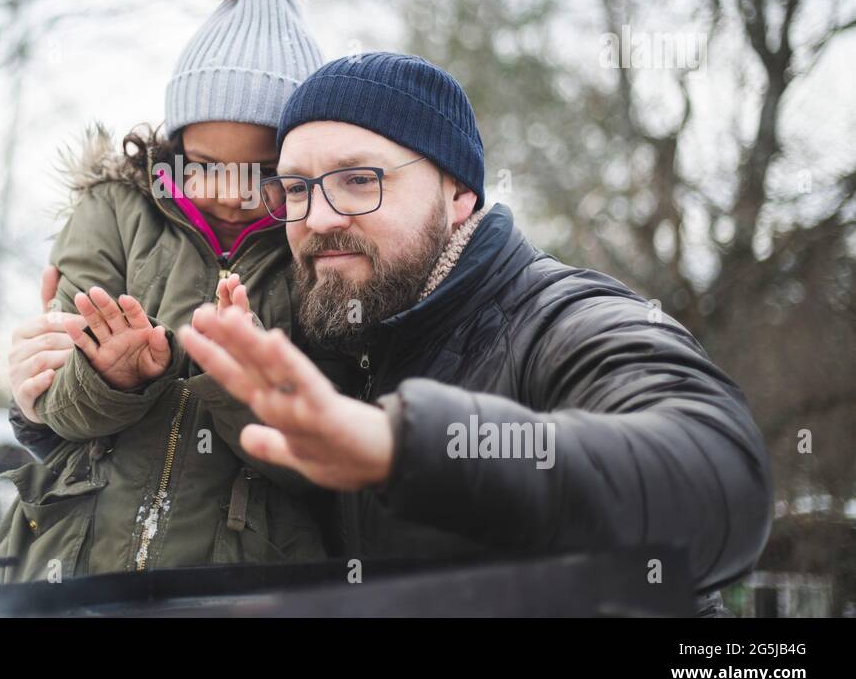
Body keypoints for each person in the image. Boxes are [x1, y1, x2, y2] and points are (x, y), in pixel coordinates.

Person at [174, 51, 773, 596]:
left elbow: (720, 482)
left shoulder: (560, 318)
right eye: (297, 188)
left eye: (360, 180)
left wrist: (408, 446)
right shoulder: (353, 344)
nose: (320, 216)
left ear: (458, 192)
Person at [0, 0, 328, 581]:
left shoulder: (318, 245)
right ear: (175, 145)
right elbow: (50, 398)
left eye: (260, 172)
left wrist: (244, 381)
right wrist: (110, 376)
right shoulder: (112, 210)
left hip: (245, 580)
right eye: (205, 164)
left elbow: (323, 455)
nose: (230, 194)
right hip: (69, 567)